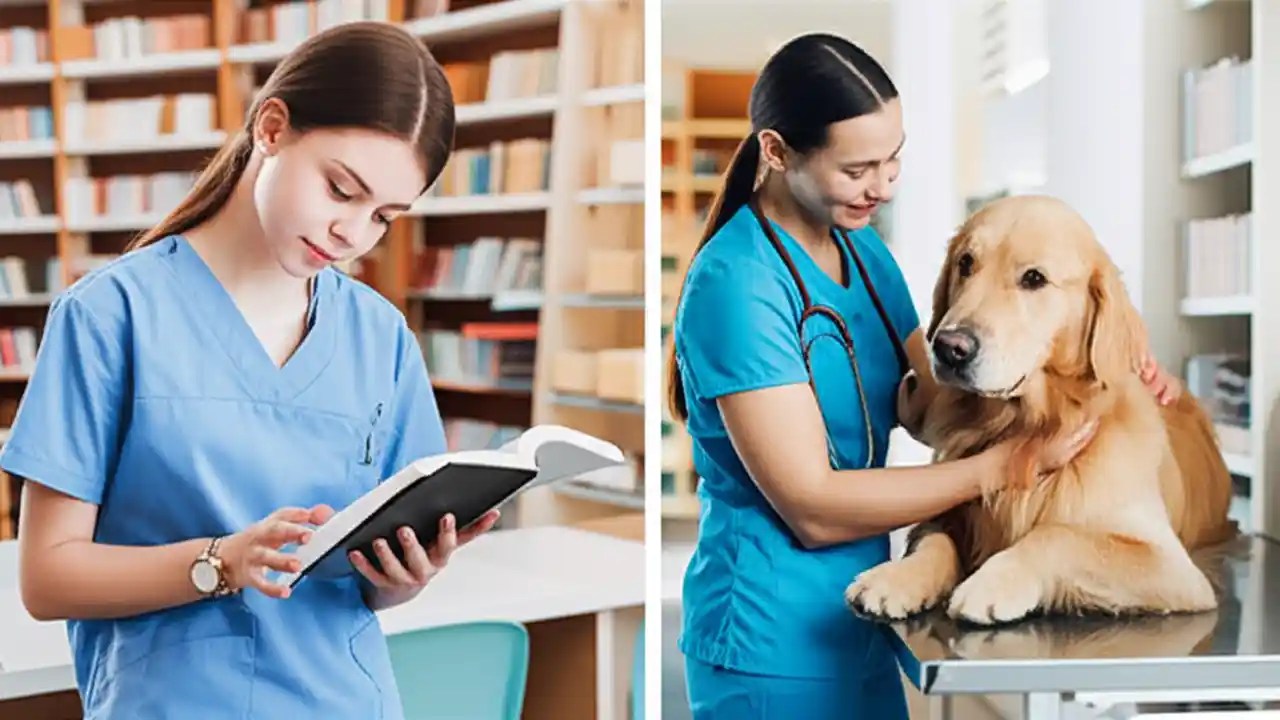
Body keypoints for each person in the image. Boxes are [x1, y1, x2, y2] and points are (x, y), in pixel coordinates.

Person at [666, 32, 1180, 719]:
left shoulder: (864, 252)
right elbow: (812, 508)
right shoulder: (736, 284)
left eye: (893, 159)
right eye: (856, 169)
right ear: (777, 152)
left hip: (873, 617)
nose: (880, 185)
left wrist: (1113, 359)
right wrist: (1010, 464)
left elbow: (936, 399)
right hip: (770, 644)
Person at [0, 21, 500, 719]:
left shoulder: (380, 337)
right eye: (340, 189)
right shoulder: (111, 315)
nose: (351, 234)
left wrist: (408, 575)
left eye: (384, 216)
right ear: (271, 128)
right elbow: (48, 576)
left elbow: (368, 586)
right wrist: (223, 561)